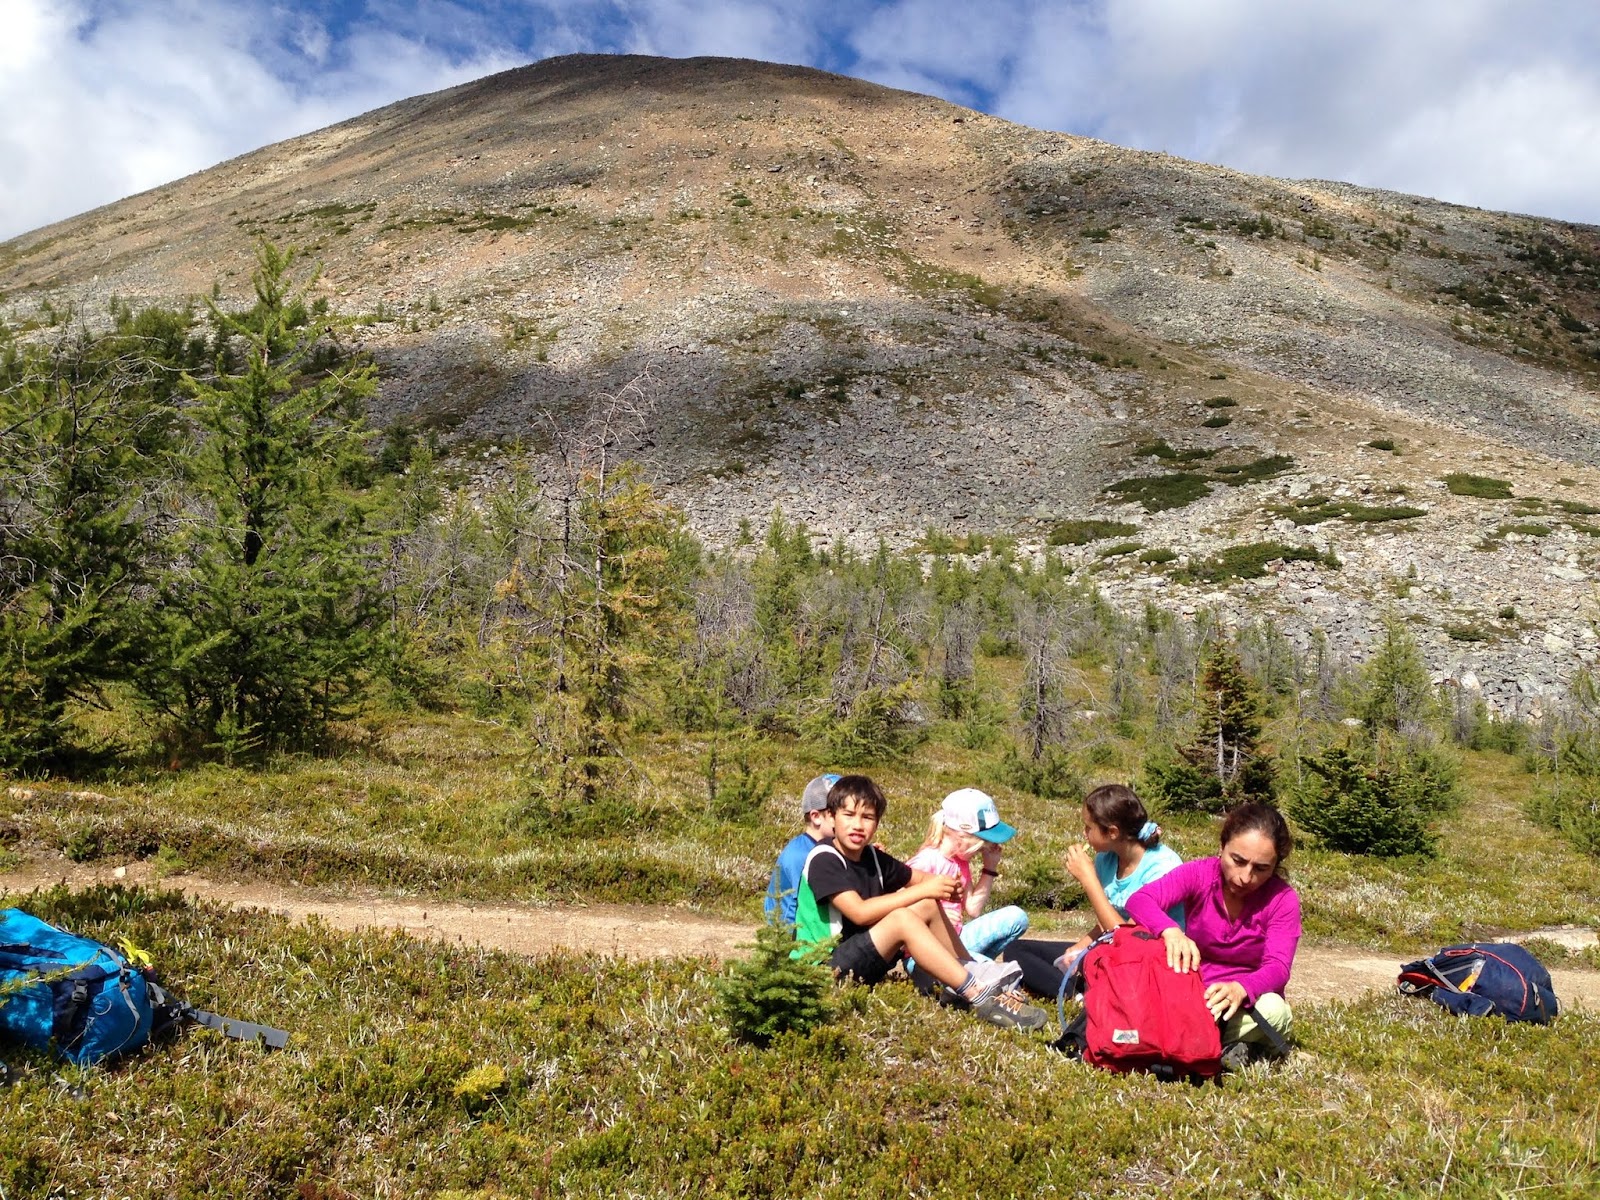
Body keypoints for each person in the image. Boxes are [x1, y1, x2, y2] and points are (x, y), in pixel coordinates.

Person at [792, 774, 1047, 1031]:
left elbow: (920, 878)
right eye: (848, 815)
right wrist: (925, 889)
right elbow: (858, 913)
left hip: (859, 961)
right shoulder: (823, 858)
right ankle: (979, 995)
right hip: (823, 969)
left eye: (867, 817)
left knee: (925, 903)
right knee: (905, 915)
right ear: (832, 817)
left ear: (877, 823)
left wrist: (947, 886)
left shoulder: (872, 857)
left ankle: (971, 972)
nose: (857, 825)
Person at [1123, 802, 1299, 1069]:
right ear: (1221, 847)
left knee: (1275, 1012)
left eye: (1261, 868)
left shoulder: (1282, 900)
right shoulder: (1199, 874)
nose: (1245, 877)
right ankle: (1216, 1043)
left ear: (1275, 865)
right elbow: (1141, 900)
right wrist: (1170, 930)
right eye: (1237, 860)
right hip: (1191, 990)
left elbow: (1278, 967)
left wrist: (1242, 989)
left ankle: (1182, 1037)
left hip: (1244, 1004)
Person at [1006, 783, 1183, 998]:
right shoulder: (1107, 858)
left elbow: (1129, 940)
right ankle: (1081, 993)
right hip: (1110, 947)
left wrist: (1089, 880)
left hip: (1146, 957)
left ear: (1112, 832)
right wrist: (1079, 947)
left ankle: (1084, 994)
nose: (1084, 833)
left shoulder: (1163, 868)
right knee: (1017, 950)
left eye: (1089, 828)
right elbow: (1106, 916)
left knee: (1112, 967)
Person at [905, 788, 1029, 961]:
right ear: (961, 834)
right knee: (988, 970)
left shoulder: (960, 862)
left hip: (957, 939)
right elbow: (898, 909)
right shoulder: (926, 860)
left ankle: (968, 965)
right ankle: (970, 969)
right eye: (982, 843)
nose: (984, 848)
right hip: (925, 953)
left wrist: (990, 867)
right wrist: (934, 918)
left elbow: (973, 908)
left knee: (1017, 917)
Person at [764, 773, 840, 927]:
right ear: (816, 817)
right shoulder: (801, 856)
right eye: (840, 812)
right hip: (793, 938)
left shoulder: (829, 848)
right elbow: (797, 910)